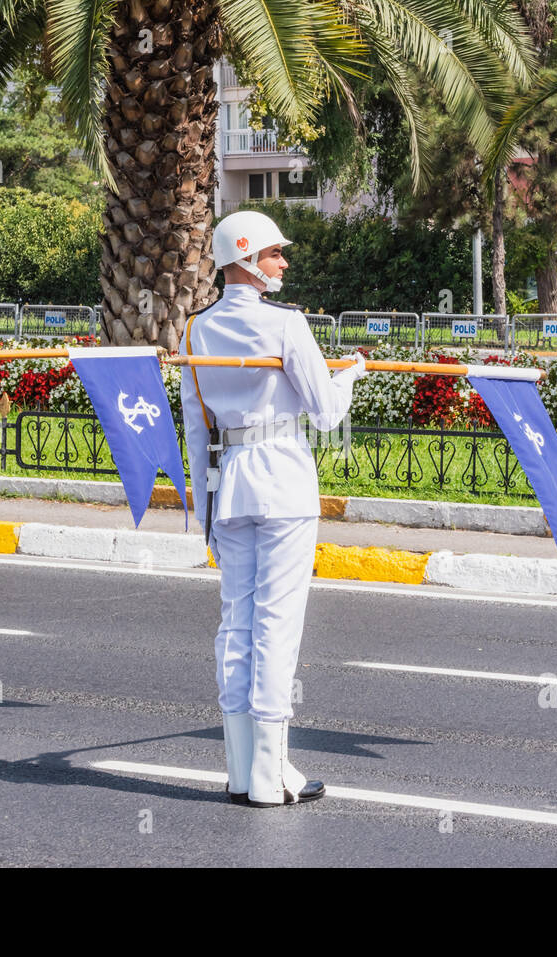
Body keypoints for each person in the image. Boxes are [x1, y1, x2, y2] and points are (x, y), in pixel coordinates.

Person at [180, 210, 367, 808]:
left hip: (230, 481)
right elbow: (326, 412)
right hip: (283, 481)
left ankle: (241, 769)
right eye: (274, 253)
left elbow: (194, 427)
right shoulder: (287, 326)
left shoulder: (195, 331)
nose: (283, 262)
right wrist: (352, 375)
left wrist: (204, 504)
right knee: (276, 627)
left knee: (236, 622)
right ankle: (269, 775)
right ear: (245, 258)